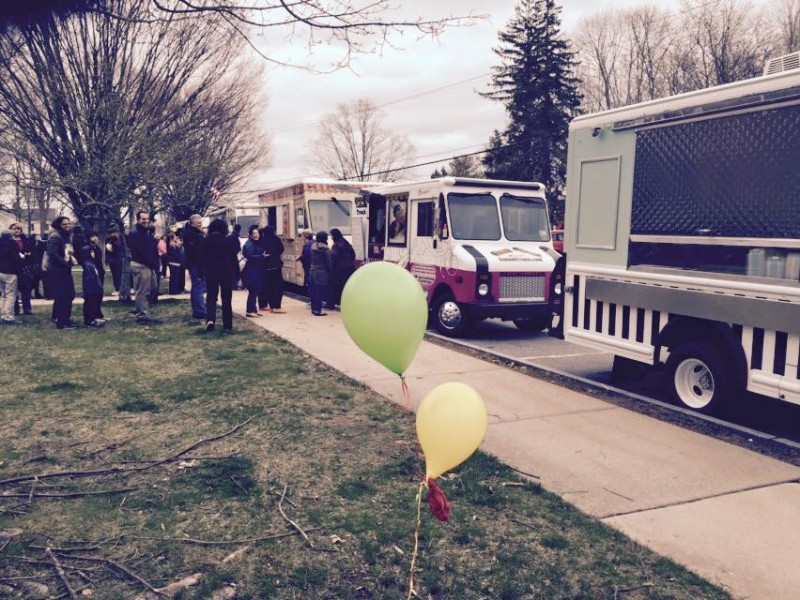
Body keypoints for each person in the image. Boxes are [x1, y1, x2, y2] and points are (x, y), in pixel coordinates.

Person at [199, 219, 238, 332]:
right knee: (226, 298)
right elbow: (233, 258)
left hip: (211, 272)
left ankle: (210, 319)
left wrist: (201, 272)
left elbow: (201, 258)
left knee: (211, 297)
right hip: (226, 272)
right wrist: (237, 273)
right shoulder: (227, 241)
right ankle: (227, 325)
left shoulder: (206, 241)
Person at [127, 210, 159, 323]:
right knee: (143, 291)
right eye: (143, 219)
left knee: (153, 288)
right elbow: (143, 252)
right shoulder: (135, 233)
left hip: (148, 265)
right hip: (141, 264)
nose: (146, 221)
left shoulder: (146, 231)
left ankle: (140, 309)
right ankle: (142, 315)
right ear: (138, 219)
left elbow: (152, 247)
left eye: (147, 219)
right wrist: (152, 263)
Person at [45, 216, 77, 329]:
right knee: (64, 296)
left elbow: (67, 252)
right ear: (59, 225)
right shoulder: (55, 236)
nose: (67, 226)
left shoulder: (66, 236)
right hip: (56, 271)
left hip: (64, 269)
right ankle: (62, 322)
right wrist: (65, 263)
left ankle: (61, 318)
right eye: (64, 224)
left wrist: (71, 259)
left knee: (67, 295)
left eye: (69, 223)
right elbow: (53, 254)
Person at [74, 230, 105, 328]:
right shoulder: (87, 248)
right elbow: (86, 262)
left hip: (97, 273)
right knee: (91, 296)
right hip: (91, 275)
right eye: (93, 236)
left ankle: (96, 315)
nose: (95, 238)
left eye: (96, 236)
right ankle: (89, 319)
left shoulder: (96, 248)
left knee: (97, 295)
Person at [183, 214, 206, 320]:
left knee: (197, 287)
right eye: (198, 223)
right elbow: (195, 252)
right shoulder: (191, 234)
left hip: (197, 264)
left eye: (201, 222)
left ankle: (198, 309)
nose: (200, 224)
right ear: (192, 223)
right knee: (198, 287)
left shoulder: (196, 233)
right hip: (196, 264)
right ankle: (199, 311)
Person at [257, 225, 285, 313]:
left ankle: (270, 305)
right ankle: (276, 306)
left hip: (266, 266)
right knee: (278, 286)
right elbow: (281, 249)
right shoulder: (276, 239)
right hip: (276, 265)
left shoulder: (262, 240)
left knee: (268, 287)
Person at [10, 223, 35, 316]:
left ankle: (27, 309)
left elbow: (32, 251)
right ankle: (15, 309)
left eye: (18, 229)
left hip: (25, 267)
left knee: (26, 290)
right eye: (14, 228)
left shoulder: (26, 240)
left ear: (21, 230)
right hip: (13, 268)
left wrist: (28, 254)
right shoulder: (9, 241)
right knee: (14, 291)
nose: (16, 230)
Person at [241, 225, 264, 318]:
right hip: (251, 271)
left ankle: (254, 309)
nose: (256, 235)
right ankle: (250, 310)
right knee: (253, 290)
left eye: (257, 233)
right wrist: (262, 256)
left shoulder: (254, 243)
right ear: (250, 234)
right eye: (254, 233)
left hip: (255, 269)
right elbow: (250, 257)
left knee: (255, 290)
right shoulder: (249, 244)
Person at [329, 228, 356, 308]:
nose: (331, 237)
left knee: (339, 288)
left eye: (331, 236)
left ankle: (340, 303)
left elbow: (333, 259)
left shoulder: (336, 245)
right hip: (350, 269)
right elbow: (353, 255)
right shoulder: (347, 243)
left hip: (340, 271)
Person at [308, 230, 332, 316]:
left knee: (313, 292)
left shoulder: (313, 246)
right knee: (320, 292)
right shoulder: (326, 249)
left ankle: (314, 309)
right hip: (321, 273)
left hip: (312, 271)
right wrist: (331, 273)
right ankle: (318, 310)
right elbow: (329, 262)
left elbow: (310, 258)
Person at [0, 229, 21, 325]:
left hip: (0, 271)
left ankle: (3, 315)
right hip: (10, 272)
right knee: (11, 295)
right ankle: (8, 317)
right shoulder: (12, 244)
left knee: (3, 295)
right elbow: (15, 258)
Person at [105, 226, 124, 294]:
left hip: (118, 259)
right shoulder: (109, 239)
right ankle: (117, 288)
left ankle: (118, 289)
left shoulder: (119, 239)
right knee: (116, 275)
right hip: (113, 260)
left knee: (118, 275)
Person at [228, 223, 243, 289]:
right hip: (234, 256)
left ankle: (232, 285)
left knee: (232, 271)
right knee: (235, 271)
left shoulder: (231, 236)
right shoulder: (236, 237)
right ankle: (234, 285)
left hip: (230, 256)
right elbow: (238, 248)